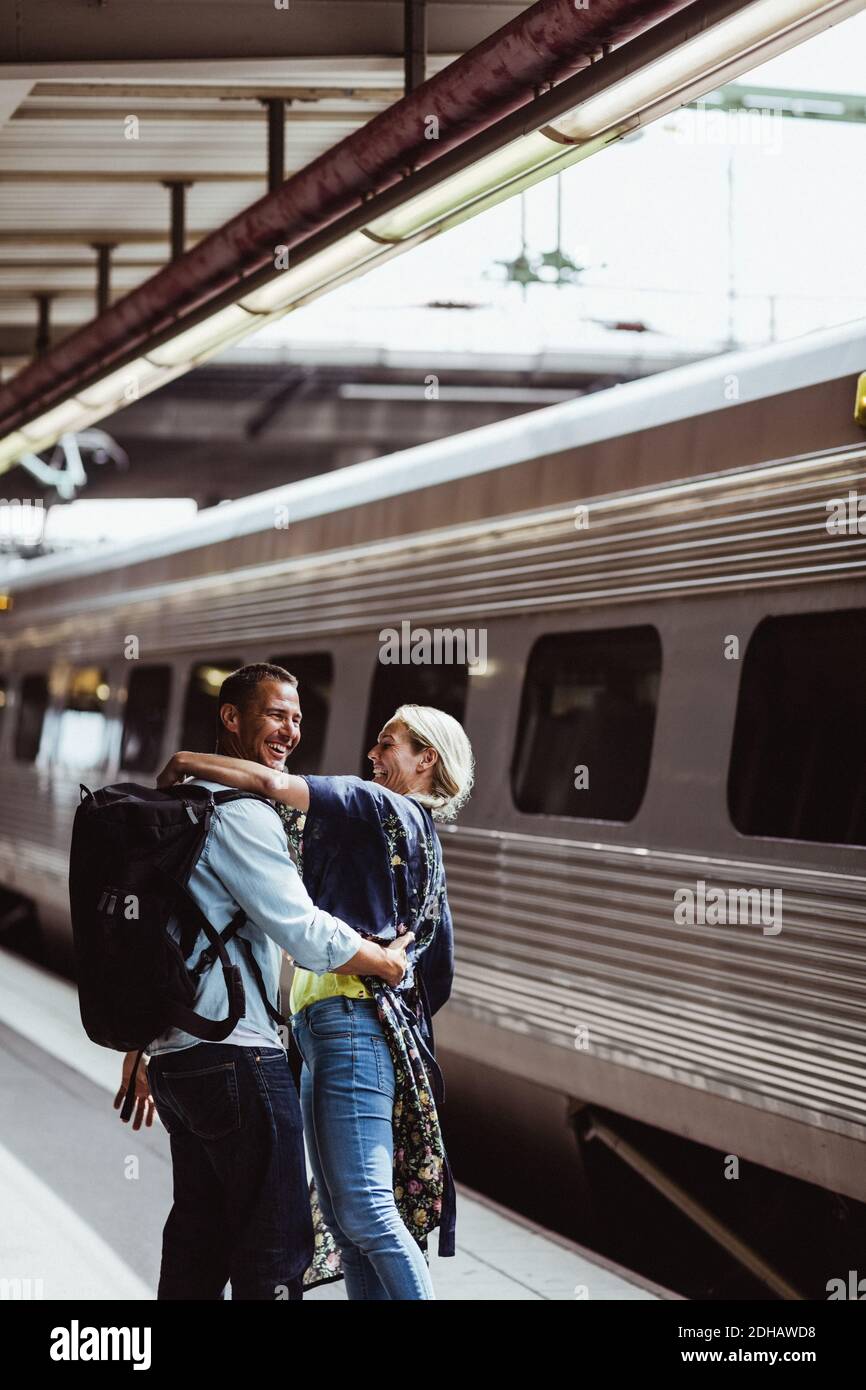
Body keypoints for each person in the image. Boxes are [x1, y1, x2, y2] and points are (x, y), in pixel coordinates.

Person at [159, 698, 474, 1300]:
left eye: (388, 744)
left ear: (424, 759)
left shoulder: (377, 803)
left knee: (364, 1212)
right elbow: (441, 971)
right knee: (346, 1220)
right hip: (332, 1025)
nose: (373, 755)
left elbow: (274, 783)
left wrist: (184, 762)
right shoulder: (413, 835)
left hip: (348, 1024)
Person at [115, 663, 412, 1302]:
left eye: (297, 718)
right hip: (236, 1058)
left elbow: (156, 940)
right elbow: (303, 932)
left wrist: (142, 1040)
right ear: (232, 717)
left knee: (197, 1240)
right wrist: (381, 959)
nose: (290, 730)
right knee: (275, 1252)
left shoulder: (181, 806)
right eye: (276, 714)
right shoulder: (241, 815)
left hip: (178, 1060)